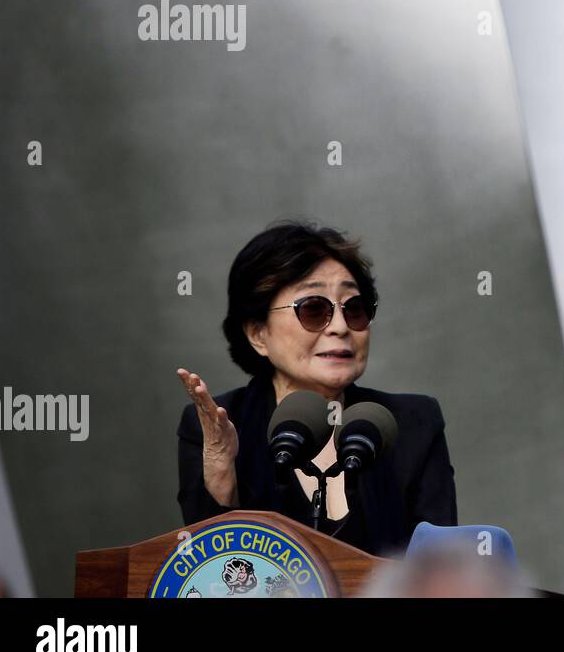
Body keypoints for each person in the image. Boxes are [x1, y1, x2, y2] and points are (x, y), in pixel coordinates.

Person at [176, 220, 457, 556]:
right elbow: (208, 578)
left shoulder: (414, 422)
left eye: (353, 308)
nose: (340, 326)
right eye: (314, 309)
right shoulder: (217, 427)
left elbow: (443, 573)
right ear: (257, 334)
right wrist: (222, 486)